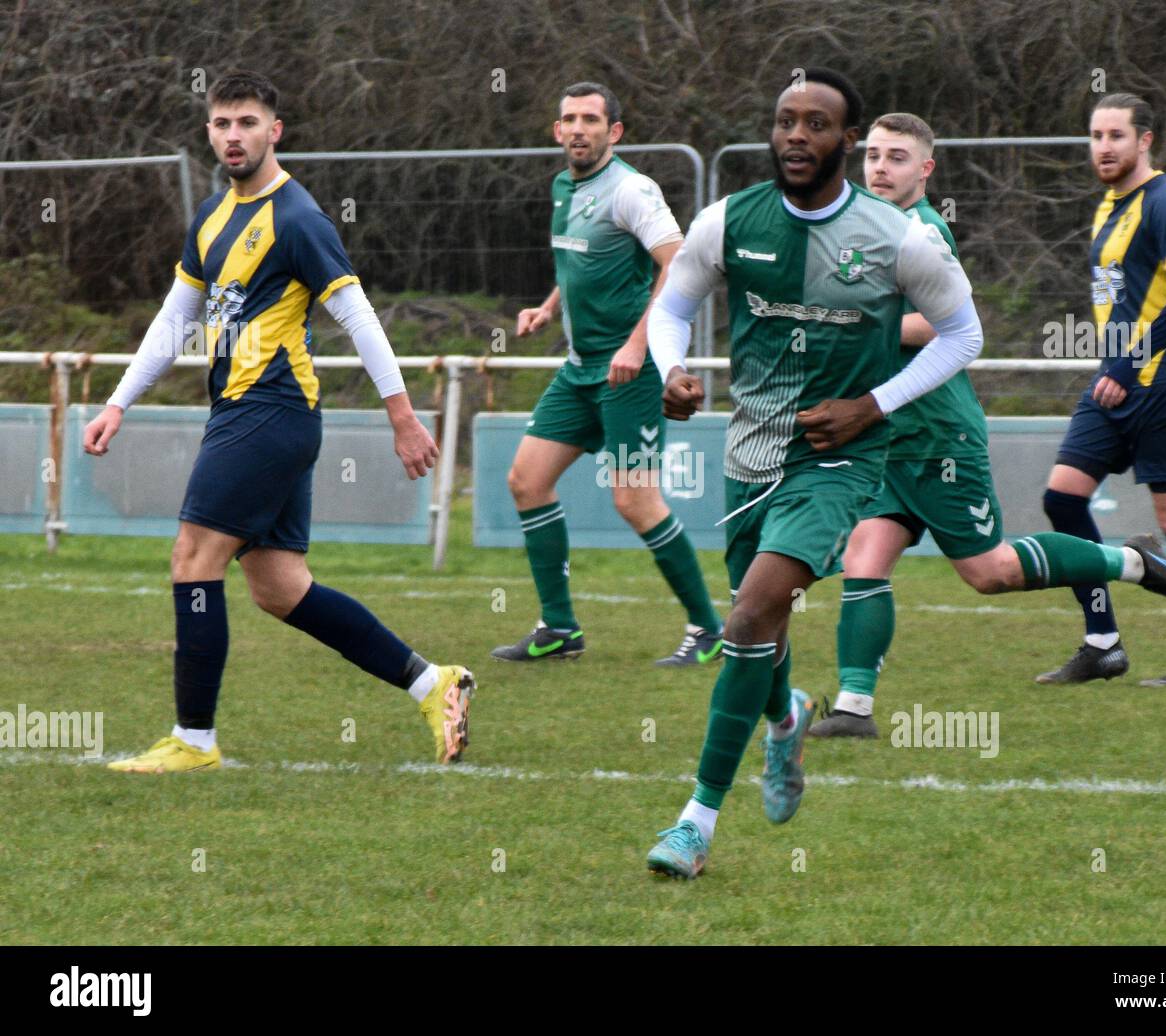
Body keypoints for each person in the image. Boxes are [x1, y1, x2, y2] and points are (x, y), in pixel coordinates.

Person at [641, 68, 986, 878]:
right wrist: (670, 369)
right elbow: (672, 306)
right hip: (748, 454)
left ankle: (694, 824)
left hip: (838, 462)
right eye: (785, 121)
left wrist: (872, 405)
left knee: (752, 613)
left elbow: (962, 335)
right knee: (763, 628)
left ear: (848, 140)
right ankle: (788, 717)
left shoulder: (898, 237)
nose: (797, 135)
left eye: (817, 124)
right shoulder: (728, 221)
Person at [82, 71, 474, 773]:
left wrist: (403, 416)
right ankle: (431, 681)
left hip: (270, 413)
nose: (234, 136)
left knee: (192, 558)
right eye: (222, 123)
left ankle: (193, 741)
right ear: (209, 131)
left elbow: (358, 316)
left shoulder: (297, 219)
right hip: (250, 415)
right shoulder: (209, 218)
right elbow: (176, 321)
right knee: (279, 587)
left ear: (275, 131)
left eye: (247, 123)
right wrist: (118, 402)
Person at [810, 113, 1166, 739]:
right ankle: (854, 711)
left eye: (897, 157)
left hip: (939, 436)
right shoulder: (863, 227)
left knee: (990, 573)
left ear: (925, 170)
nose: (880, 167)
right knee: (865, 558)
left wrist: (858, 324)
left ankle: (1134, 563)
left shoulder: (924, 232)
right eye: (874, 155)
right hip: (885, 432)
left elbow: (950, 326)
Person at [493, 81, 724, 667]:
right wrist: (548, 307)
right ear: (556, 130)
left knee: (635, 501)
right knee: (526, 480)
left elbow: (679, 264)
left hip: (630, 373)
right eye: (568, 118)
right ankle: (560, 629)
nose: (578, 128)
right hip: (579, 371)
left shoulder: (631, 190)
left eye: (591, 119)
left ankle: (709, 630)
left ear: (613, 132)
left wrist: (638, 343)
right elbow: (578, 260)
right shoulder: (563, 186)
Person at [1037, 93, 1166, 687]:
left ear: (1145, 140)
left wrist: (1125, 365)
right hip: (1115, 381)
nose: (1104, 147)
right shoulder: (1107, 208)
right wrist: (1111, 368)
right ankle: (1103, 642)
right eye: (1095, 136)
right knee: (1063, 498)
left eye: (1116, 135)